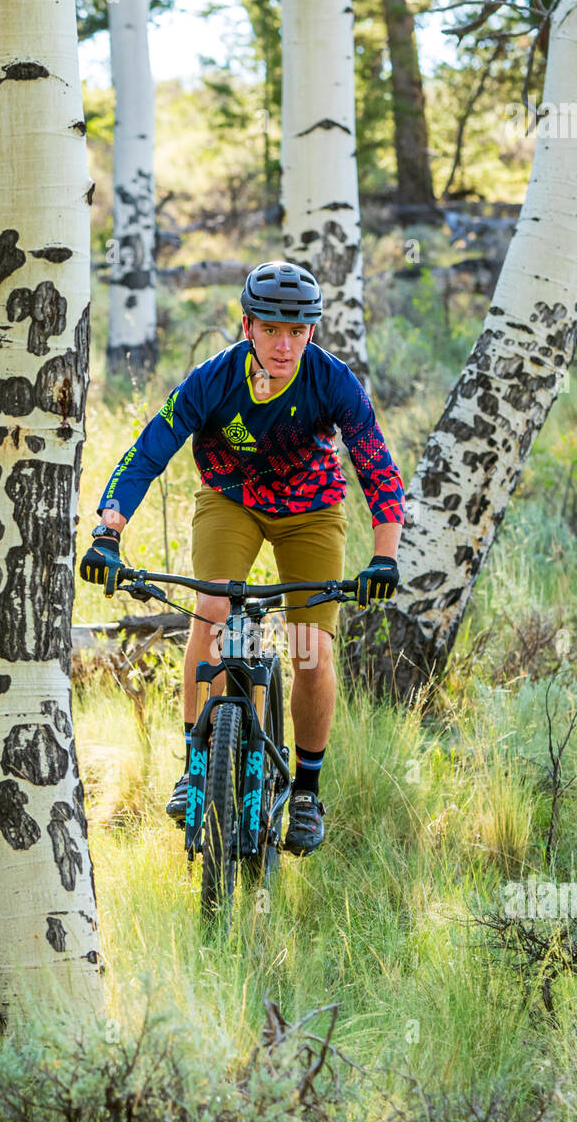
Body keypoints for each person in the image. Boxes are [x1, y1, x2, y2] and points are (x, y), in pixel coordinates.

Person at [80, 260, 405, 855]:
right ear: (248, 324)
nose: (285, 346)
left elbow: (377, 467)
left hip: (311, 508)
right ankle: (194, 767)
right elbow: (147, 452)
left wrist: (384, 558)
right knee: (211, 613)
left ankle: (306, 791)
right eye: (272, 330)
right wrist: (108, 532)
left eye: (298, 331)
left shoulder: (334, 383)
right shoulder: (212, 380)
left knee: (311, 649)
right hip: (231, 501)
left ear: (313, 331)